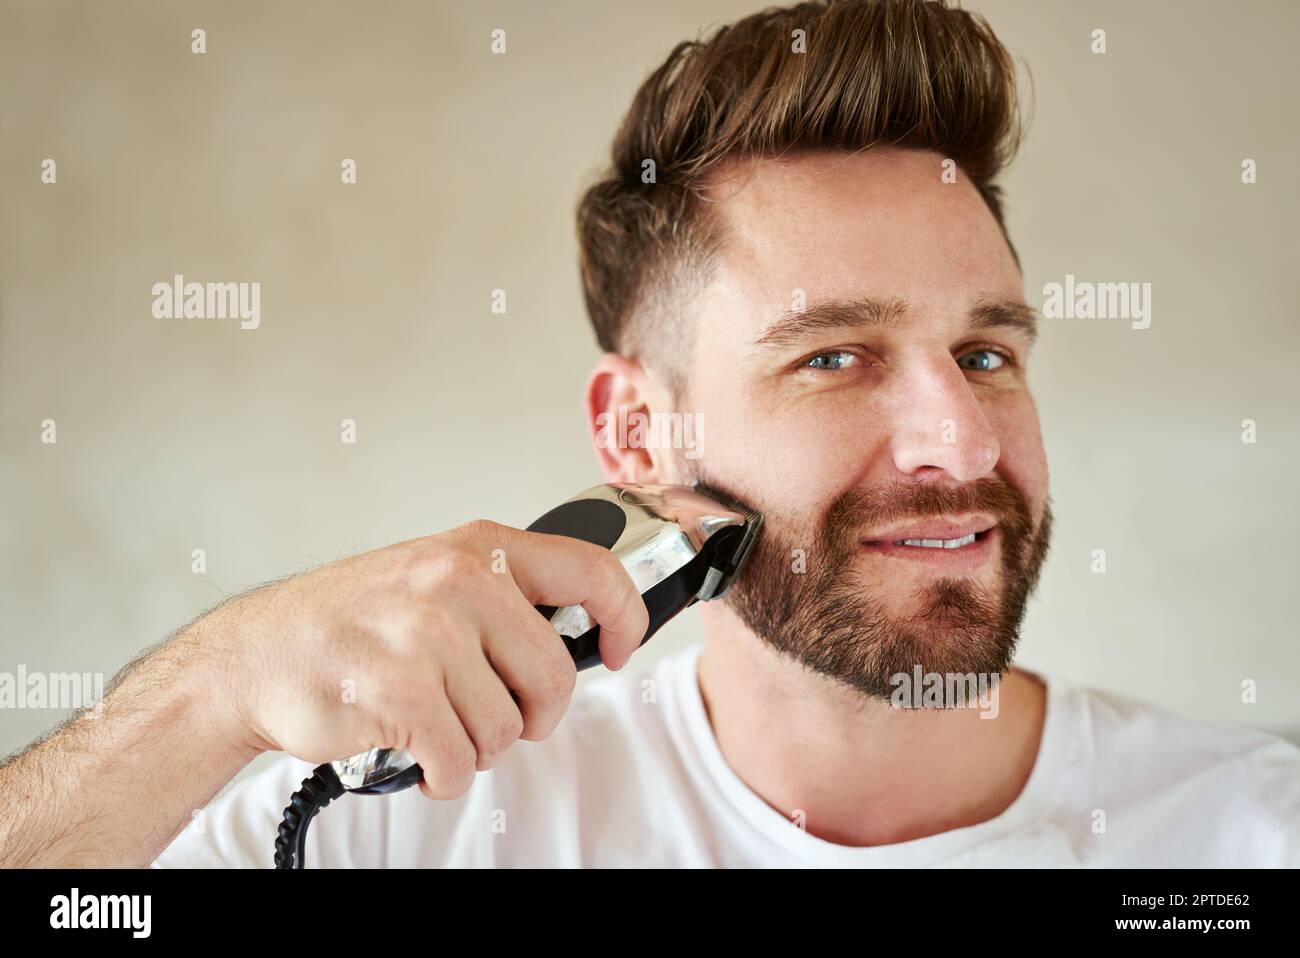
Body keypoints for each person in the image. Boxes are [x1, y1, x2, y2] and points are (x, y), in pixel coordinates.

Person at [3, 0, 1296, 868]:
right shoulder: (430, 824)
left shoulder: (1245, 832)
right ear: (637, 431)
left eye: (986, 351)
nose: (956, 441)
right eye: (834, 355)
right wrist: (210, 691)